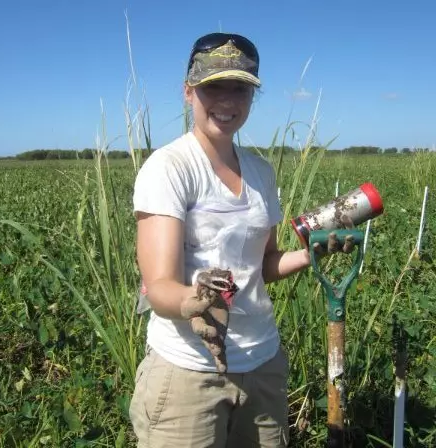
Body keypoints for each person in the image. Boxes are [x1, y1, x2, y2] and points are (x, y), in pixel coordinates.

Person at [129, 32, 353, 448]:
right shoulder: (169, 168)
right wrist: (191, 302)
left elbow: (263, 265)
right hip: (188, 372)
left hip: (262, 363)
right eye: (214, 87)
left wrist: (308, 254)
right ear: (188, 91)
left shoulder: (261, 172)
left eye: (241, 89)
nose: (228, 102)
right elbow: (159, 286)